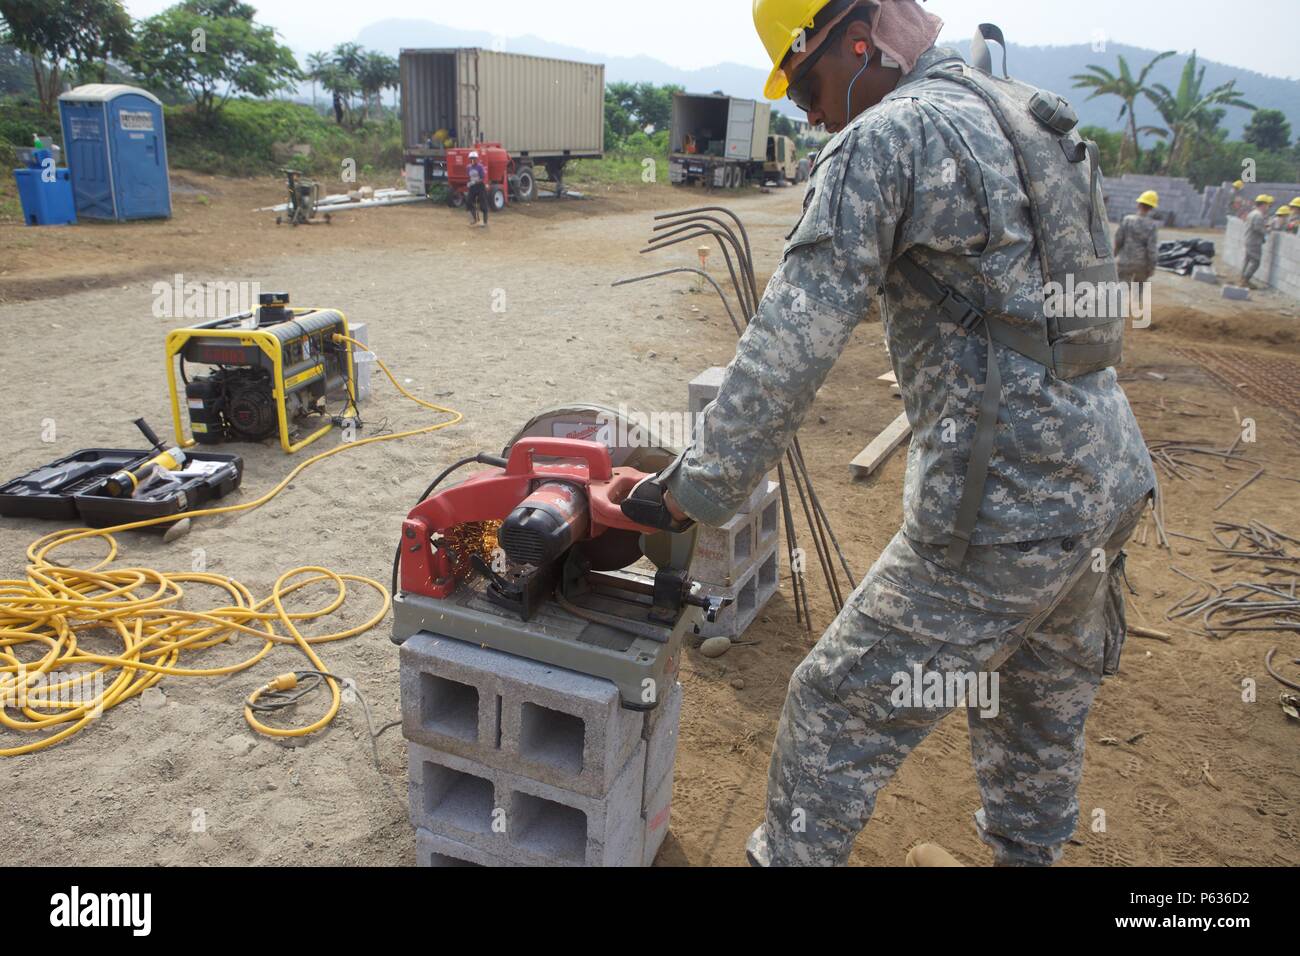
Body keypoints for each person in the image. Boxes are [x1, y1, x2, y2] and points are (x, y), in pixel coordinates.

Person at [620, 0, 1155, 867]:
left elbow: (791, 343)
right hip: (1110, 478)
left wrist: (696, 491)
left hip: (1005, 510)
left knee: (836, 705)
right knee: (1033, 706)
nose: (809, 111)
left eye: (806, 82)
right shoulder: (1026, 110)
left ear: (859, 43)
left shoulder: (886, 139)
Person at [1113, 190, 1160, 311]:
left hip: (1124, 262)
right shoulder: (1152, 225)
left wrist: (1114, 255)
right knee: (1138, 289)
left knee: (1121, 289)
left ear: (1139, 204)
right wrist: (1151, 267)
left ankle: (1118, 314)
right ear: (1151, 208)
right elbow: (1152, 249)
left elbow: (1118, 240)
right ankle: (1134, 314)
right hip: (1142, 265)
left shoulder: (1127, 220)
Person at [1242, 195, 1273, 287]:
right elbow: (1258, 228)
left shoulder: (1252, 213)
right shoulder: (1258, 215)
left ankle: (1242, 278)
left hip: (1249, 239)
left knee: (1247, 260)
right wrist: (1268, 230)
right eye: (1267, 205)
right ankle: (1245, 280)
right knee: (1256, 261)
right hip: (1254, 242)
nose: (1268, 207)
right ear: (1263, 205)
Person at [465, 150, 489, 228]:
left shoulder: (480, 167)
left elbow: (482, 178)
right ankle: (474, 219)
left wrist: (475, 182)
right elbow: (469, 177)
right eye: (471, 158)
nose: (472, 160)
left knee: (483, 203)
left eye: (474, 158)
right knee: (468, 202)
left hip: (480, 186)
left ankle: (485, 222)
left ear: (477, 159)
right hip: (472, 187)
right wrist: (469, 183)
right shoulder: (468, 167)